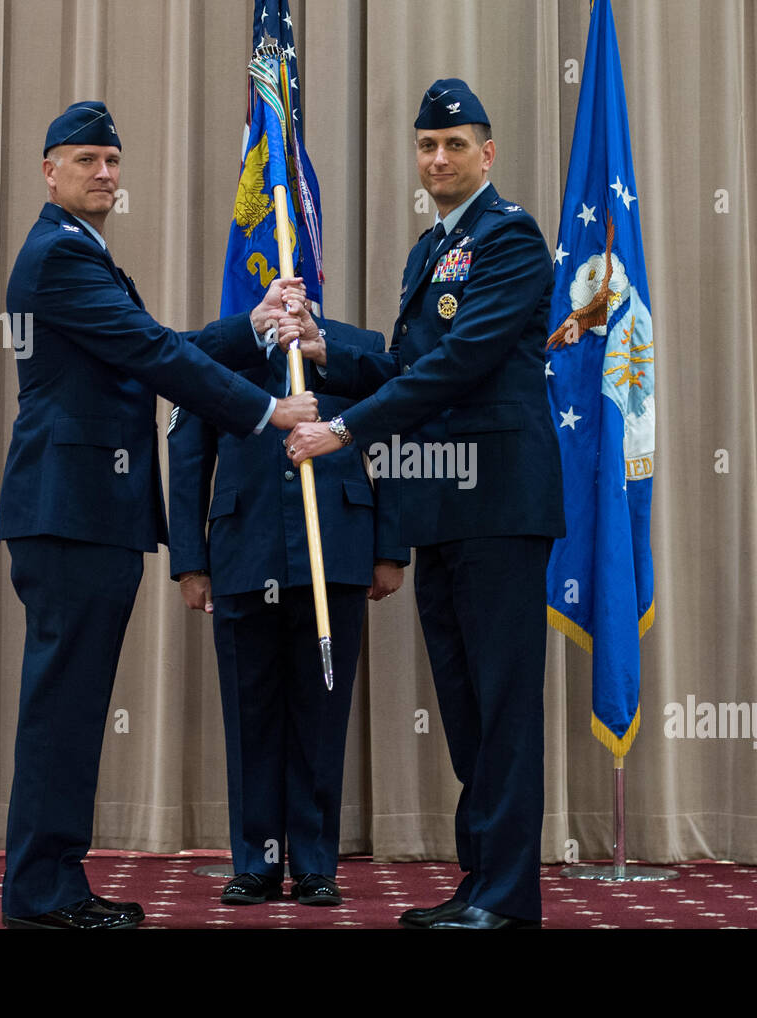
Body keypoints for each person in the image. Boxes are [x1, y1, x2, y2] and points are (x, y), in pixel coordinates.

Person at [0, 100, 317, 930]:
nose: (104, 172)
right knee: (61, 710)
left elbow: (148, 346)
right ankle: (41, 894)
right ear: (49, 171)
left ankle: (55, 883)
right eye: (85, 160)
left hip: (86, 512)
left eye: (112, 159)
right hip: (69, 511)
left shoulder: (82, 254)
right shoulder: (59, 257)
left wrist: (249, 328)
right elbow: (152, 354)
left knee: (69, 707)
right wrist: (267, 411)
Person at [285, 79, 564, 930]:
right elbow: (411, 362)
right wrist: (325, 346)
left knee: (505, 707)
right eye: (426, 146)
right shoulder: (428, 248)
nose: (438, 159)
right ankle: (481, 881)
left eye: (454, 145)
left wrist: (345, 430)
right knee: (468, 707)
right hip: (443, 503)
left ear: (487, 154)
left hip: (500, 503)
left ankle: (510, 897)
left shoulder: (510, 239)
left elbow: (462, 363)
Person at [168, 302, 408, 908]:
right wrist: (191, 561)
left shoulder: (359, 345)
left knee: (322, 714)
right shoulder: (224, 350)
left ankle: (314, 862)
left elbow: (399, 434)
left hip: (339, 549)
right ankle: (255, 862)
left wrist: (390, 550)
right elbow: (190, 449)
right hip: (244, 548)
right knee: (250, 715)